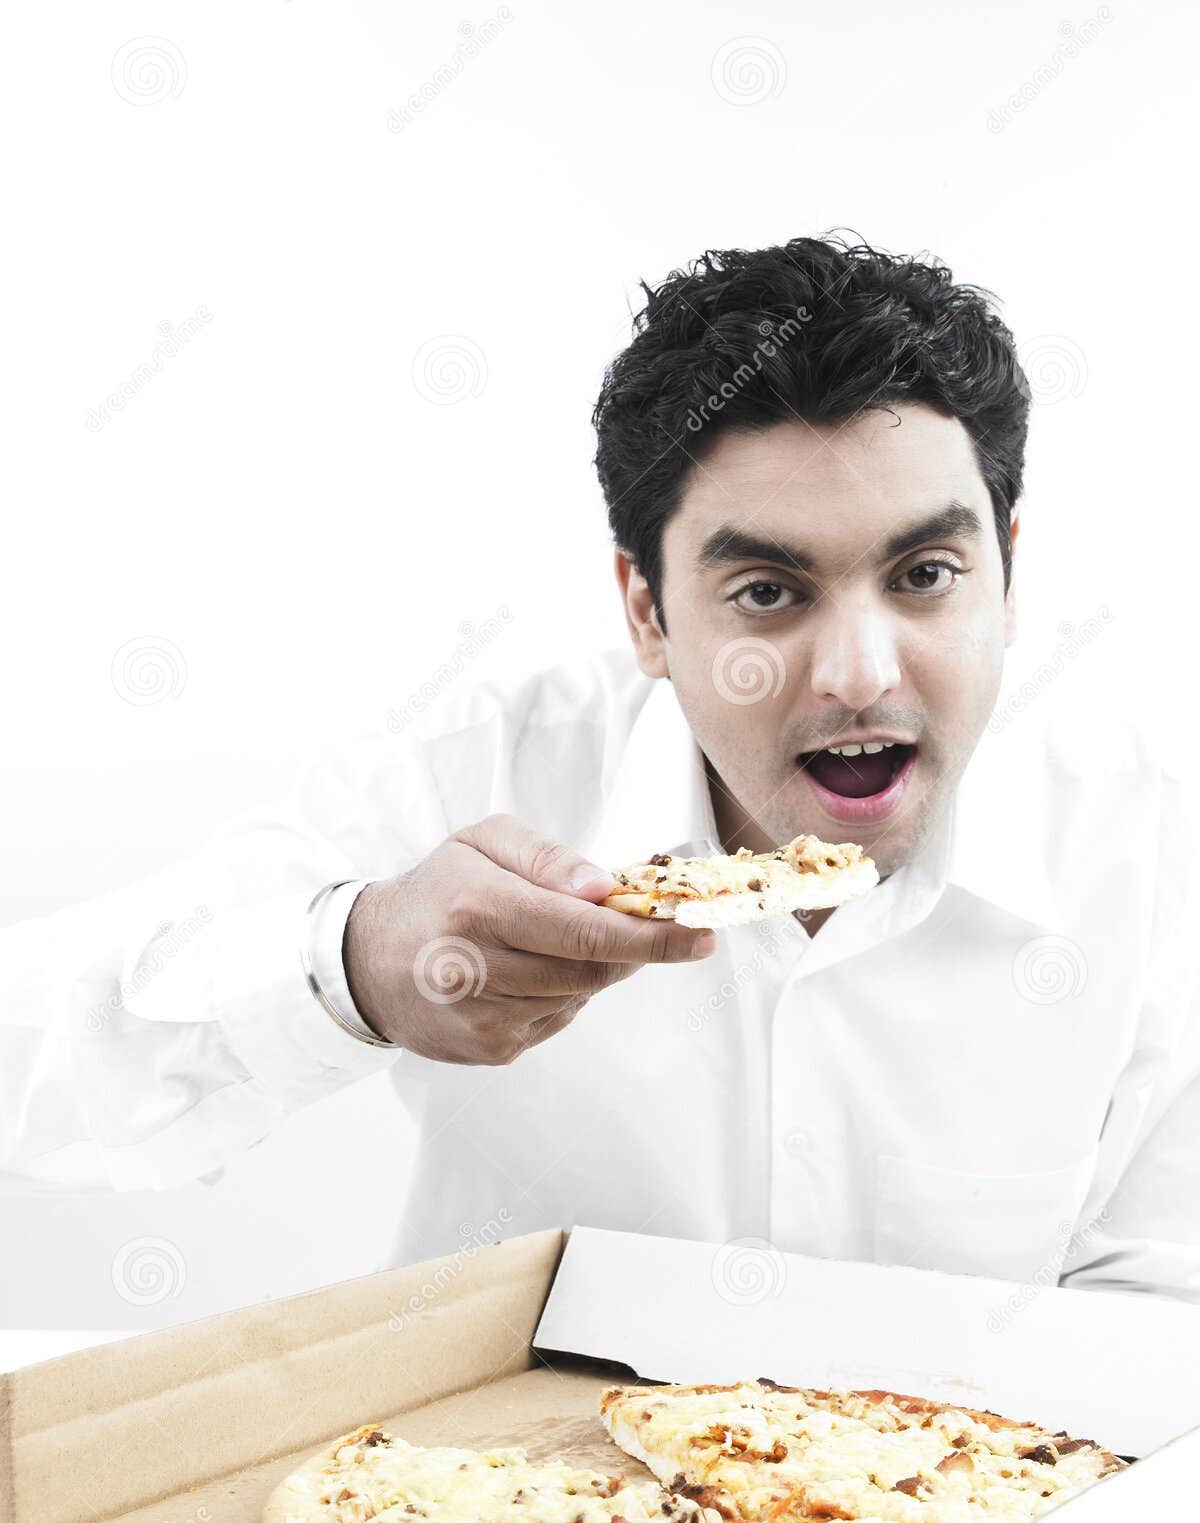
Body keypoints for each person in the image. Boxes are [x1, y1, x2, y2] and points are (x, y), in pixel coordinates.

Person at [2, 236, 1197, 1301]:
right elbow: (31, 1064)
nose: (856, 674)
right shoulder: (473, 772)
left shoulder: (1148, 844)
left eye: (925, 574)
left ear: (1008, 573)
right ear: (647, 612)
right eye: (768, 592)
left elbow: (1161, 1327)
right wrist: (355, 965)